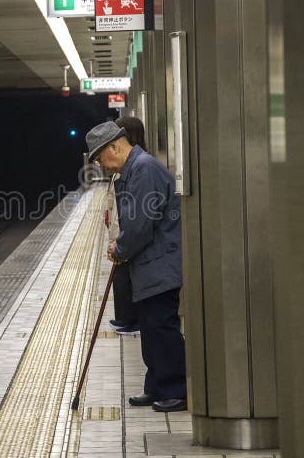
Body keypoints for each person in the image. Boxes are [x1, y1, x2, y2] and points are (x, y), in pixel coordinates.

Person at [85, 120, 187, 413]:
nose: (103, 165)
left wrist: (121, 247)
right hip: (150, 264)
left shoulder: (143, 169)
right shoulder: (133, 170)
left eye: (101, 157)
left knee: (161, 327)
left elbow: (141, 224)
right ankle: (156, 385)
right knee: (151, 328)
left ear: (115, 146)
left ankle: (176, 389)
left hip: (160, 263)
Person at [105, 116, 145, 335]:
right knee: (122, 276)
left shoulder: (139, 168)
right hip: (120, 232)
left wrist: (120, 242)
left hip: (126, 234)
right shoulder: (127, 166)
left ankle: (131, 319)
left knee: (126, 276)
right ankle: (125, 318)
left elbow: (133, 212)